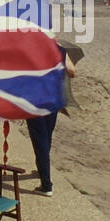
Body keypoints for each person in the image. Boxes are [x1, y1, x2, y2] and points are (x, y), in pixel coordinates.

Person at [26, 46, 79, 195]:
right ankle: (41, 169)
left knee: (39, 140)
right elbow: (72, 72)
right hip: (53, 99)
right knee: (46, 137)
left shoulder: (28, 50)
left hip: (35, 103)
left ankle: (46, 185)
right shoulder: (59, 50)